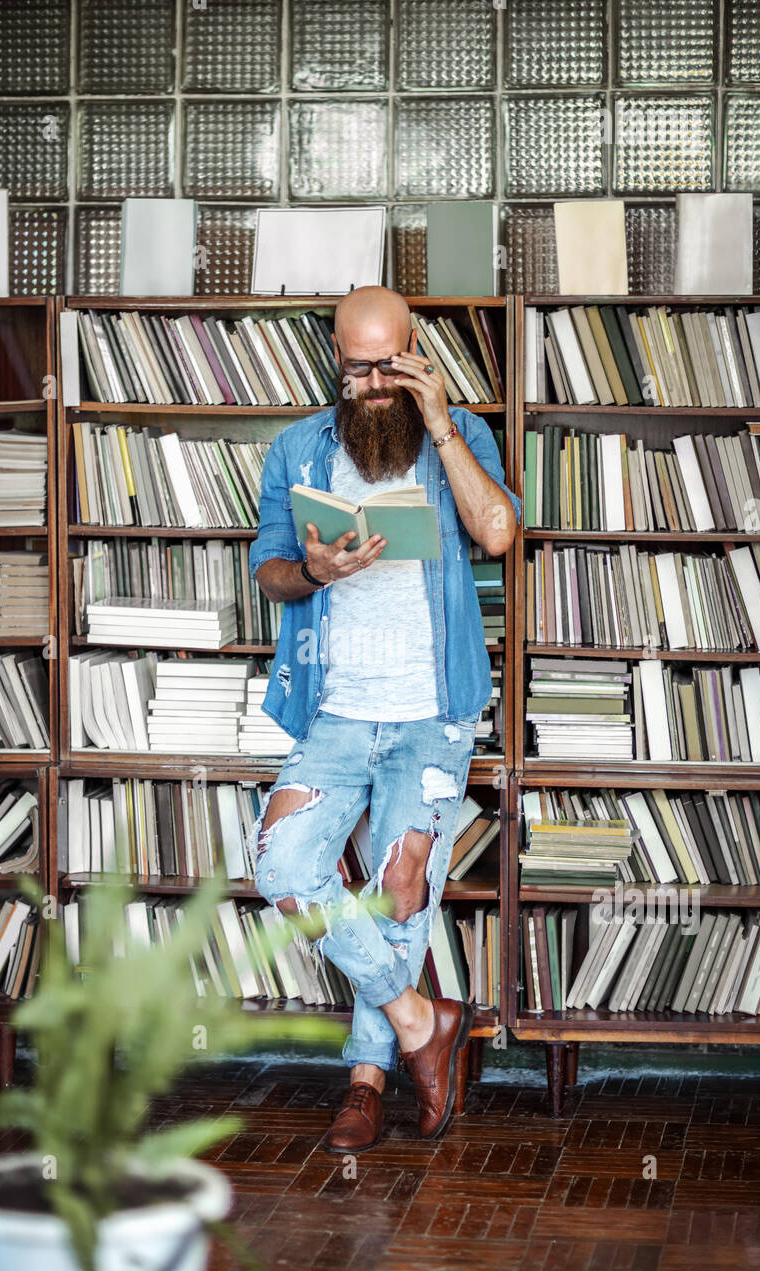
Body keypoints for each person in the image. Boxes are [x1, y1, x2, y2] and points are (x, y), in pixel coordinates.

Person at [249, 285, 520, 1152]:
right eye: (357, 368)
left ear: (414, 353)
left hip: (431, 714)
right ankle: (417, 1021)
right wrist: (316, 571)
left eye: (388, 367)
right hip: (332, 711)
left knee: (402, 897)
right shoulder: (298, 448)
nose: (372, 386)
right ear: (336, 358)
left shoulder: (457, 430)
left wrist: (441, 425)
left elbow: (499, 533)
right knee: (283, 864)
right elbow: (268, 571)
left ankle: (364, 1085)